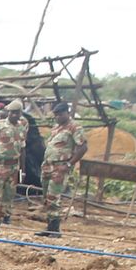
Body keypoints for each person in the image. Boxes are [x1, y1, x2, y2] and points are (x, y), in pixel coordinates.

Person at [37, 101, 87, 238]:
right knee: (47, 197)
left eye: (60, 114)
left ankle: (55, 229)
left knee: (54, 197)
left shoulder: (74, 127)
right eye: (56, 115)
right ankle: (49, 227)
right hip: (48, 165)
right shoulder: (56, 128)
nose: (58, 117)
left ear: (67, 113)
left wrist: (69, 164)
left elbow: (82, 147)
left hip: (60, 167)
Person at [0, 101, 28, 230]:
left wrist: (22, 169)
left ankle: (2, 218)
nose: (14, 115)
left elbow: (23, 149)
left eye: (16, 113)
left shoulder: (21, 128)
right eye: (12, 112)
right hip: (0, 164)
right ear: (8, 112)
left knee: (9, 195)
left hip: (14, 166)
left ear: (20, 113)